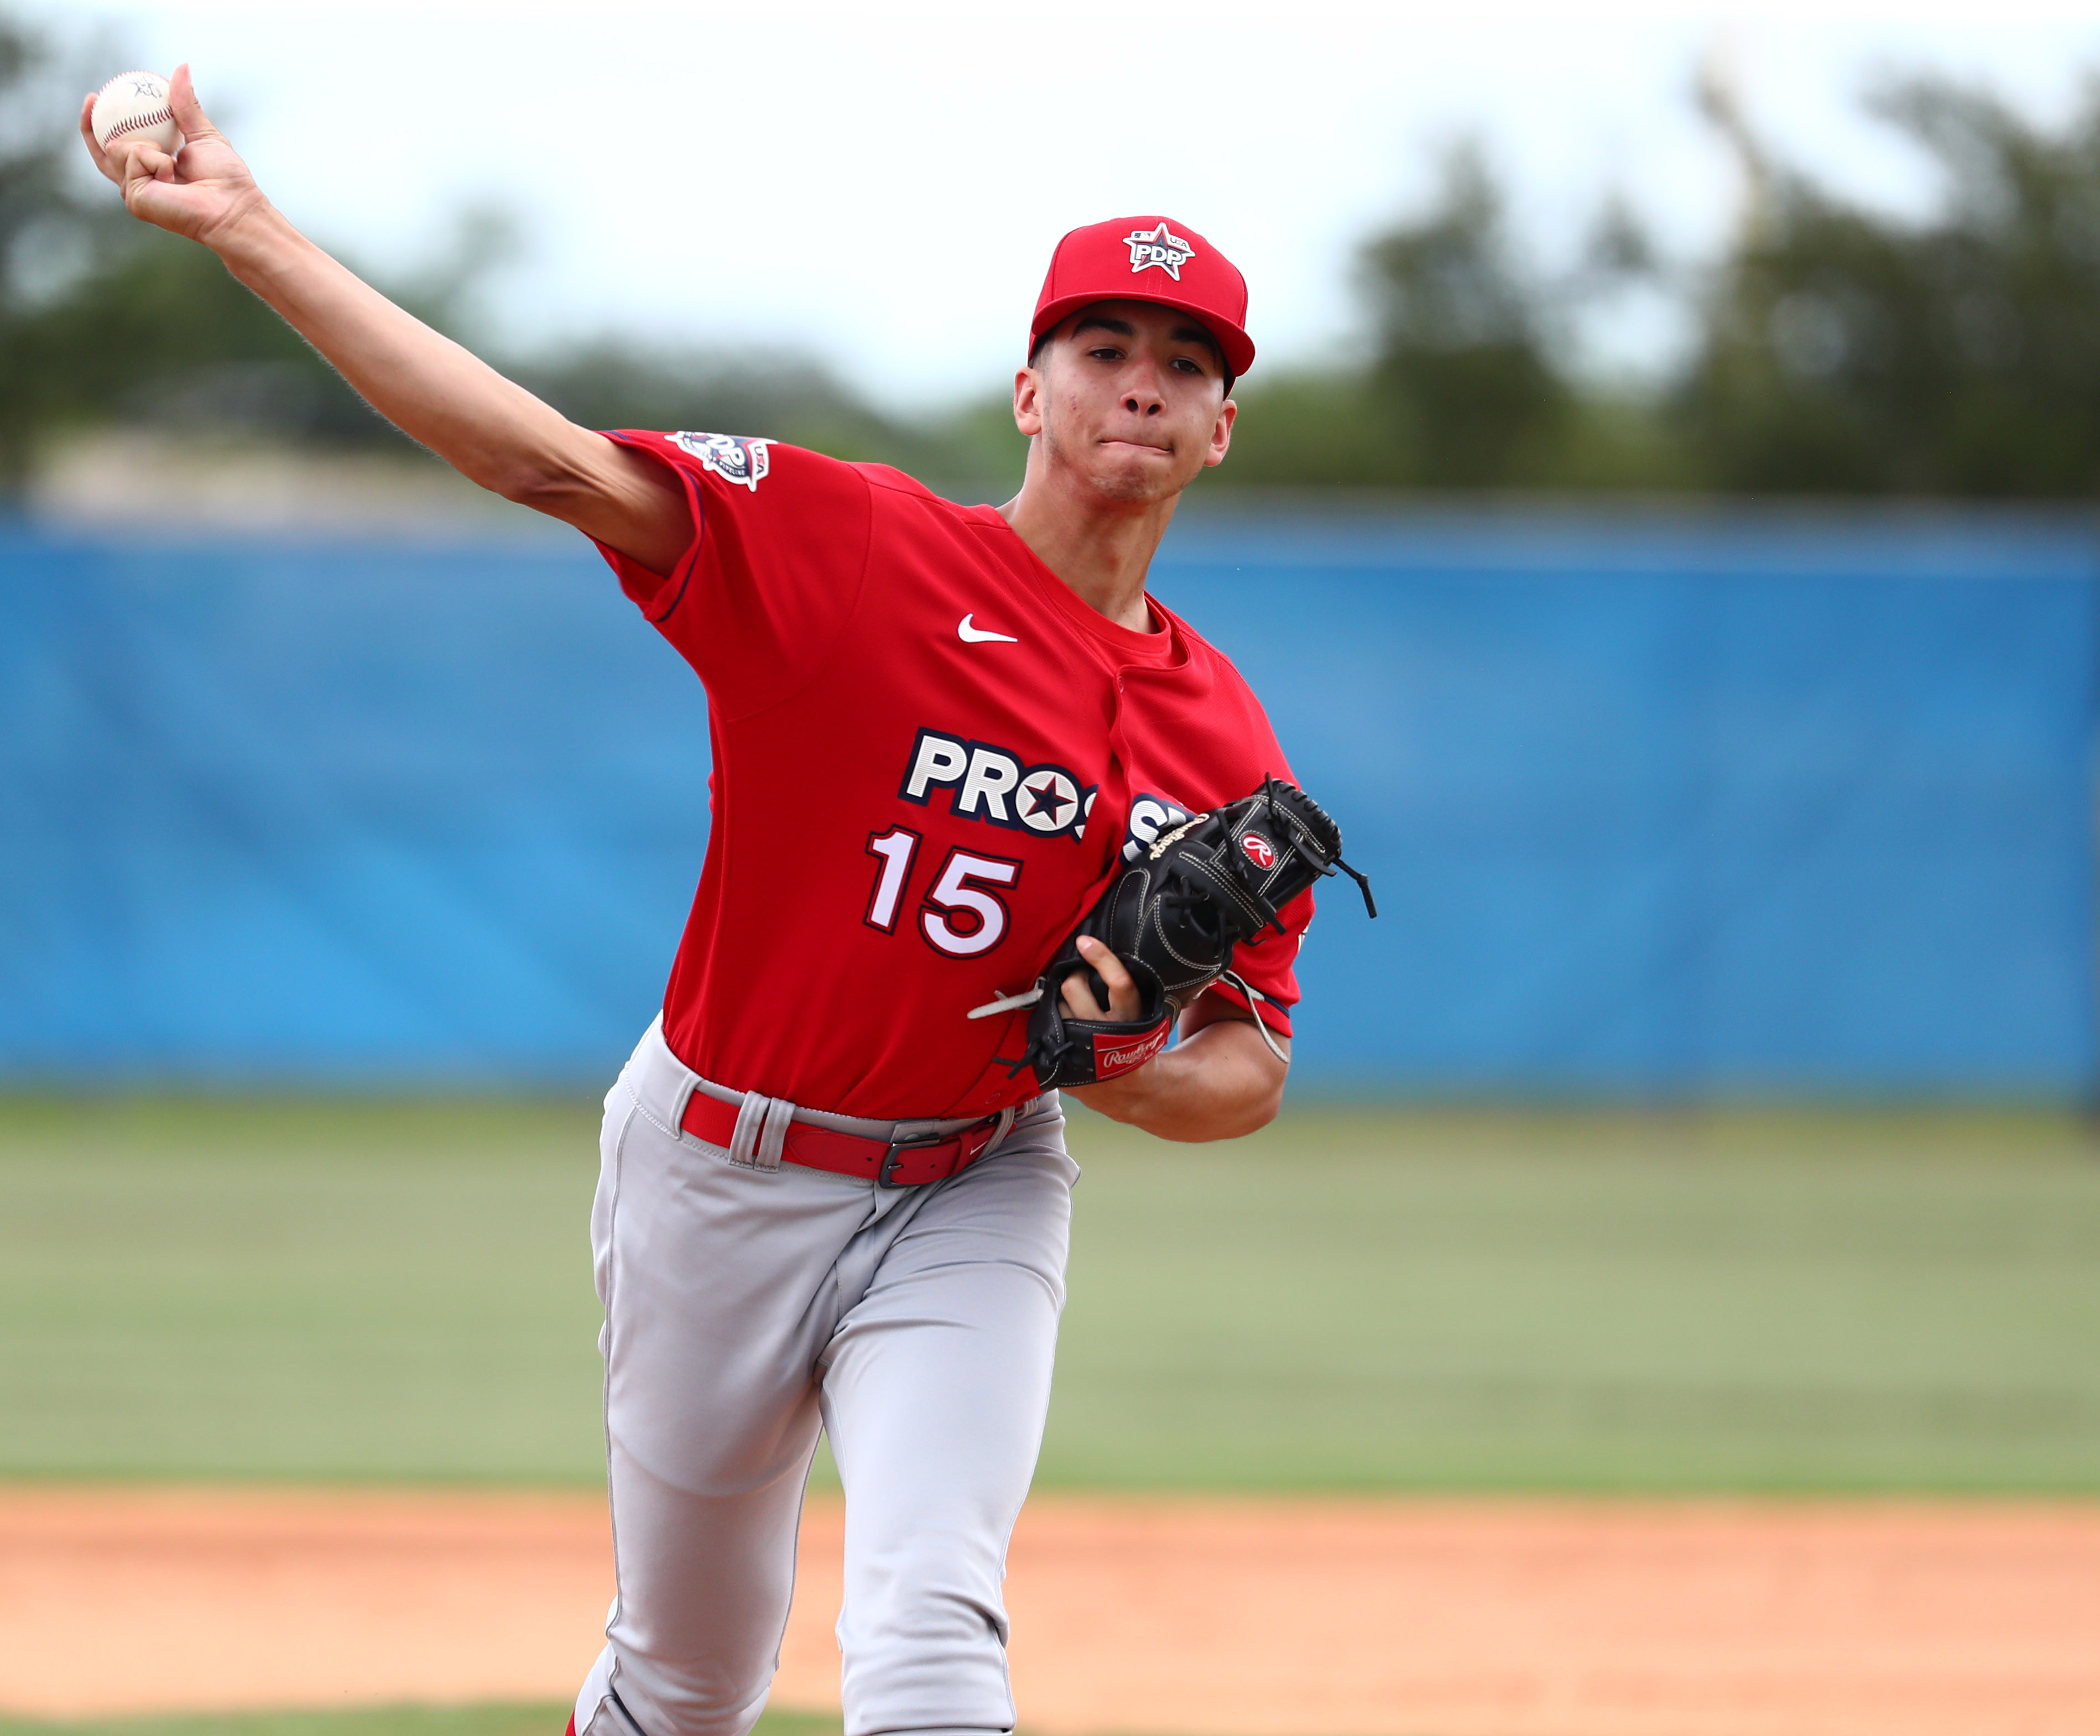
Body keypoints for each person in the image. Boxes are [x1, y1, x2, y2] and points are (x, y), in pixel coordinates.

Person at [84, 67, 1327, 1736]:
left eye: (1187, 364)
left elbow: (1247, 1066)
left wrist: (1119, 1066)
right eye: (1102, 349)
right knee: (688, 1671)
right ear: (1025, 388)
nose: (1142, 387)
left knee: (931, 1620)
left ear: (1222, 424)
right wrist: (252, 238)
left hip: (974, 1177)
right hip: (716, 1166)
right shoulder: (859, 554)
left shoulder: (1221, 733)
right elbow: (543, 463)